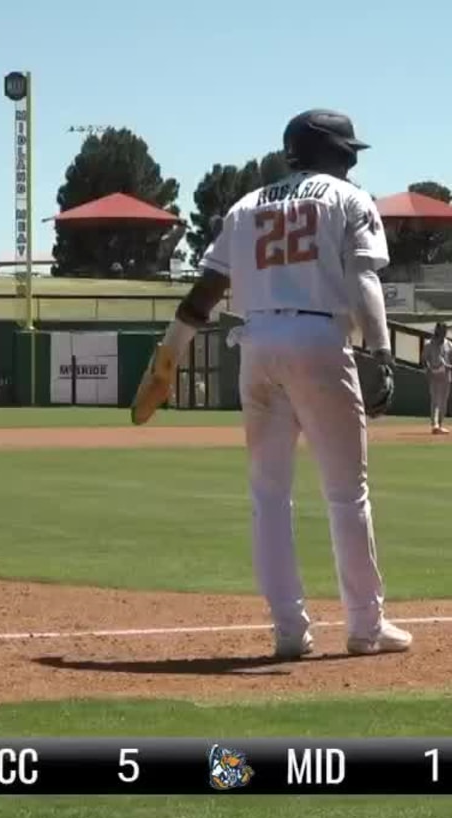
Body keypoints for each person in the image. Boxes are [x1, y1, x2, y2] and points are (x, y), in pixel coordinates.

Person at [126, 108, 410, 659]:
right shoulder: (349, 199)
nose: (353, 162)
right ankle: (365, 626)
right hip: (320, 340)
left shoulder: (244, 206)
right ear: (331, 152)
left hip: (256, 345)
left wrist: (171, 352)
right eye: (348, 151)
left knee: (269, 496)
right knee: (346, 493)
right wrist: (381, 352)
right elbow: (363, 278)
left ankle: (289, 631)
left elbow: (206, 293)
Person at [422, 321, 452, 434]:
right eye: (441, 330)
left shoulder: (450, 345)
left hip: (446, 376)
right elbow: (424, 360)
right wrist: (429, 370)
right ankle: (435, 424)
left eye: (444, 330)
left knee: (444, 401)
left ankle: (440, 425)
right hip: (434, 375)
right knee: (435, 400)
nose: (443, 332)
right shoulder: (428, 344)